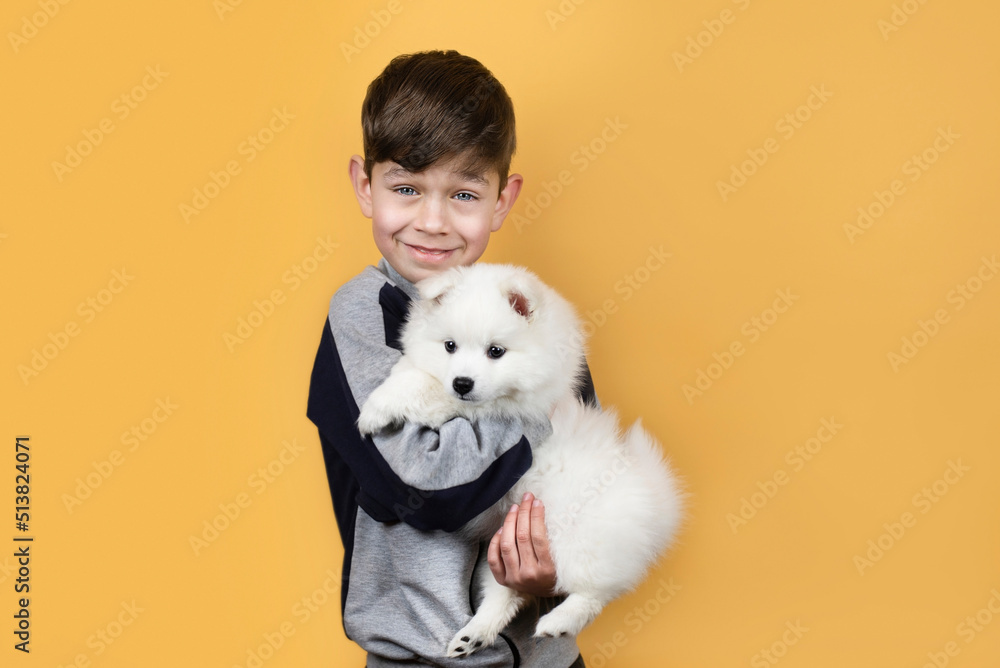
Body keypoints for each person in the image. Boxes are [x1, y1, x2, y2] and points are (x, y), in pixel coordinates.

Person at [307, 50, 592, 667]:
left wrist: (556, 576)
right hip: (422, 658)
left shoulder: (534, 315)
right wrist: (540, 412)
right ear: (364, 185)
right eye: (406, 188)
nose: (432, 222)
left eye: (463, 193)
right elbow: (426, 485)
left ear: (502, 200)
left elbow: (592, 486)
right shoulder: (362, 316)